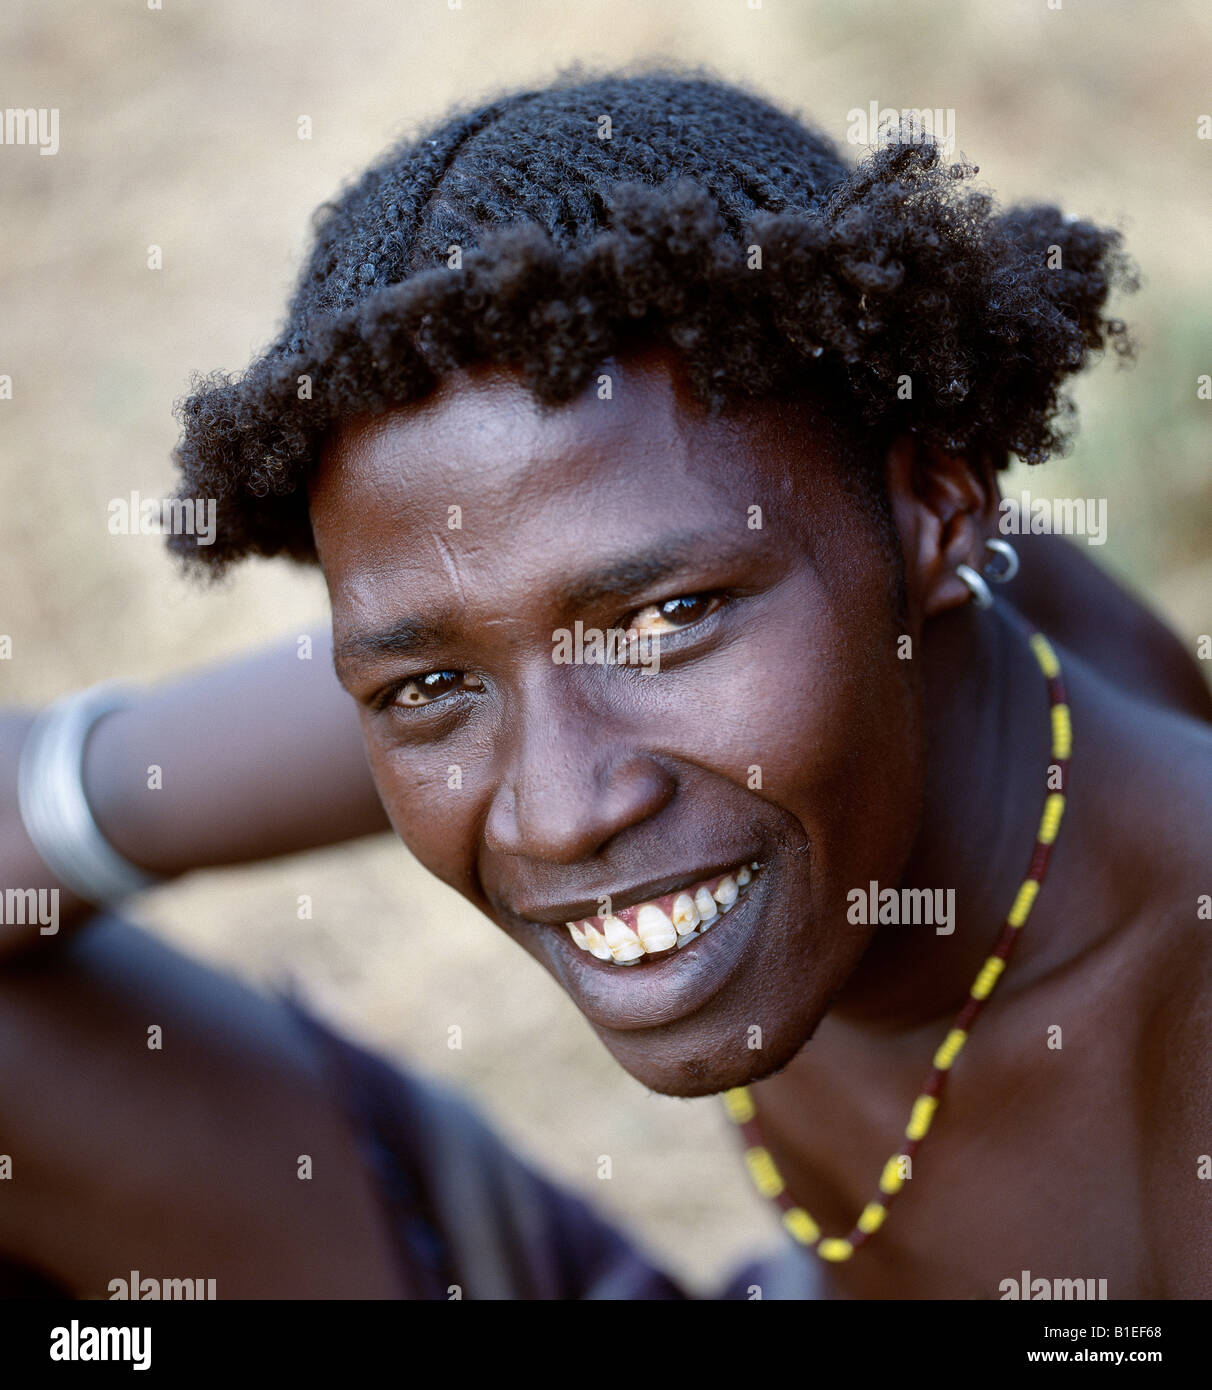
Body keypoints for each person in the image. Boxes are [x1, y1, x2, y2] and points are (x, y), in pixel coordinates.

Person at [2, 66, 1209, 1300]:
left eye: (665, 619)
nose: (561, 812)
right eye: (430, 685)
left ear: (938, 513)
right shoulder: (826, 599)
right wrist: (76, 809)